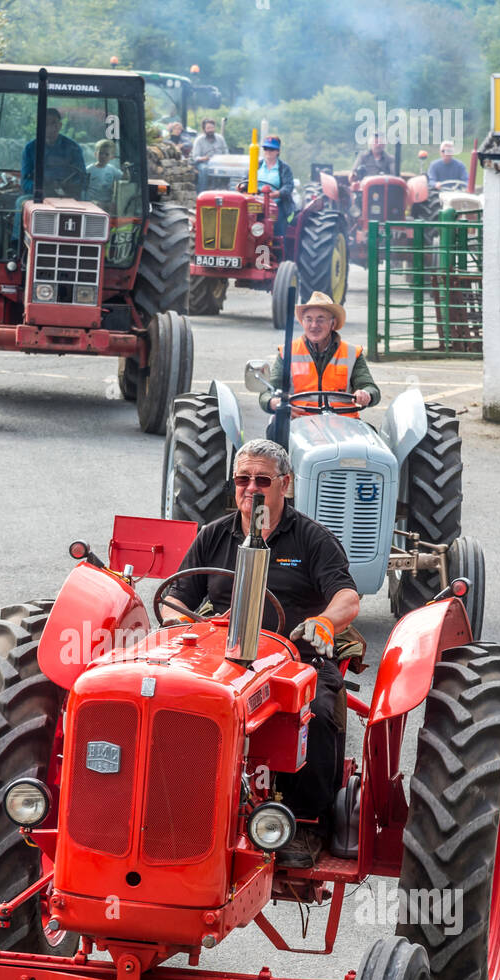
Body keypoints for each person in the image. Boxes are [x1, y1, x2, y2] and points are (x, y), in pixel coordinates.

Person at [163, 438, 360, 867]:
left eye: (262, 480)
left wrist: (325, 622)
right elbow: (175, 598)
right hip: (223, 659)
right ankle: (178, 806)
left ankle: (307, 823)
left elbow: (347, 596)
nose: (251, 489)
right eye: (242, 479)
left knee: (318, 712)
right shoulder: (214, 535)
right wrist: (182, 622)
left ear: (284, 485)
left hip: (297, 657)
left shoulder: (311, 539)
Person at [261, 291, 380, 418]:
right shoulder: (287, 352)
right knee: (273, 431)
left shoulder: (352, 353)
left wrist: (366, 394)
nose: (314, 325)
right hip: (298, 424)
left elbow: (371, 388)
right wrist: (274, 403)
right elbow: (268, 392)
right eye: (309, 319)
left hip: (344, 427)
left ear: (332, 324)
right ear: (303, 322)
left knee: (371, 435)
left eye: (320, 319)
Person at [21, 108, 86, 198]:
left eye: (54, 123)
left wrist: (66, 188)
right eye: (46, 124)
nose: (50, 127)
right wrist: (42, 188)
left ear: (60, 125)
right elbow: (25, 181)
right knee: (21, 201)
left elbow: (81, 178)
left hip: (67, 196)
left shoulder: (73, 148)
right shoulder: (30, 148)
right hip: (38, 196)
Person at [240, 135, 294, 238]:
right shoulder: (256, 165)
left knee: (277, 225)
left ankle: (278, 250)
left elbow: (288, 186)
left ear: (278, 151)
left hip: (275, 204)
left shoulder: (284, 168)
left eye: (272, 149)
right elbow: (246, 180)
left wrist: (276, 194)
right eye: (266, 149)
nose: (268, 151)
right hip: (255, 204)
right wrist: (243, 186)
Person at [191, 117, 228, 192]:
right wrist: (204, 158)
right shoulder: (199, 140)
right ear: (204, 129)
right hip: (204, 163)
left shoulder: (220, 138)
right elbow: (195, 157)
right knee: (205, 169)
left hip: (219, 163)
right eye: (208, 128)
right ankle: (202, 193)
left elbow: (226, 153)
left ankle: (224, 191)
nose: (211, 130)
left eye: (212, 127)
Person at [85, 139, 122, 207]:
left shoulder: (112, 169)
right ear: (96, 154)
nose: (103, 156)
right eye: (101, 153)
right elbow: (84, 187)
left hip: (107, 203)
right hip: (92, 202)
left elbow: (123, 177)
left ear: (112, 157)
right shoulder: (89, 170)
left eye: (106, 154)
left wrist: (126, 169)